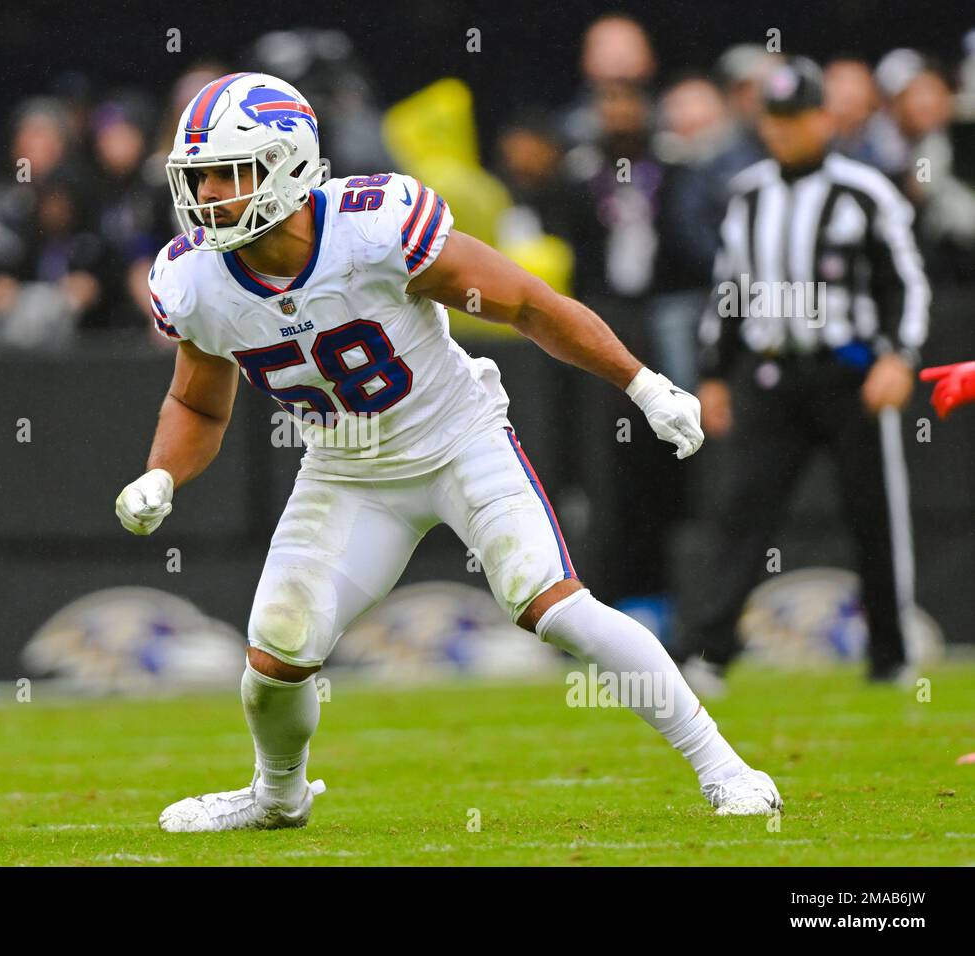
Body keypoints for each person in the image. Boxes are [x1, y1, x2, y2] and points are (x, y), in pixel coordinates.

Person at [115, 72, 781, 832]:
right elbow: (198, 401)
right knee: (274, 655)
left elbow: (529, 303)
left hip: (459, 440)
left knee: (555, 606)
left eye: (224, 174)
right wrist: (163, 472)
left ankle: (724, 766)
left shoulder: (375, 229)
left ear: (289, 166)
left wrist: (643, 383)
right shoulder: (196, 280)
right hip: (347, 471)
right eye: (195, 175)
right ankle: (276, 798)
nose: (205, 194)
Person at [683, 57, 931, 692]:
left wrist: (899, 358)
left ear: (825, 118)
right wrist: (714, 373)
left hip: (850, 376)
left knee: (872, 515)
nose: (784, 131)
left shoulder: (865, 190)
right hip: (773, 380)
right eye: (775, 119)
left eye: (796, 118)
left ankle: (890, 655)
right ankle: (711, 653)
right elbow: (729, 292)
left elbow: (905, 282)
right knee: (744, 515)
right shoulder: (749, 194)